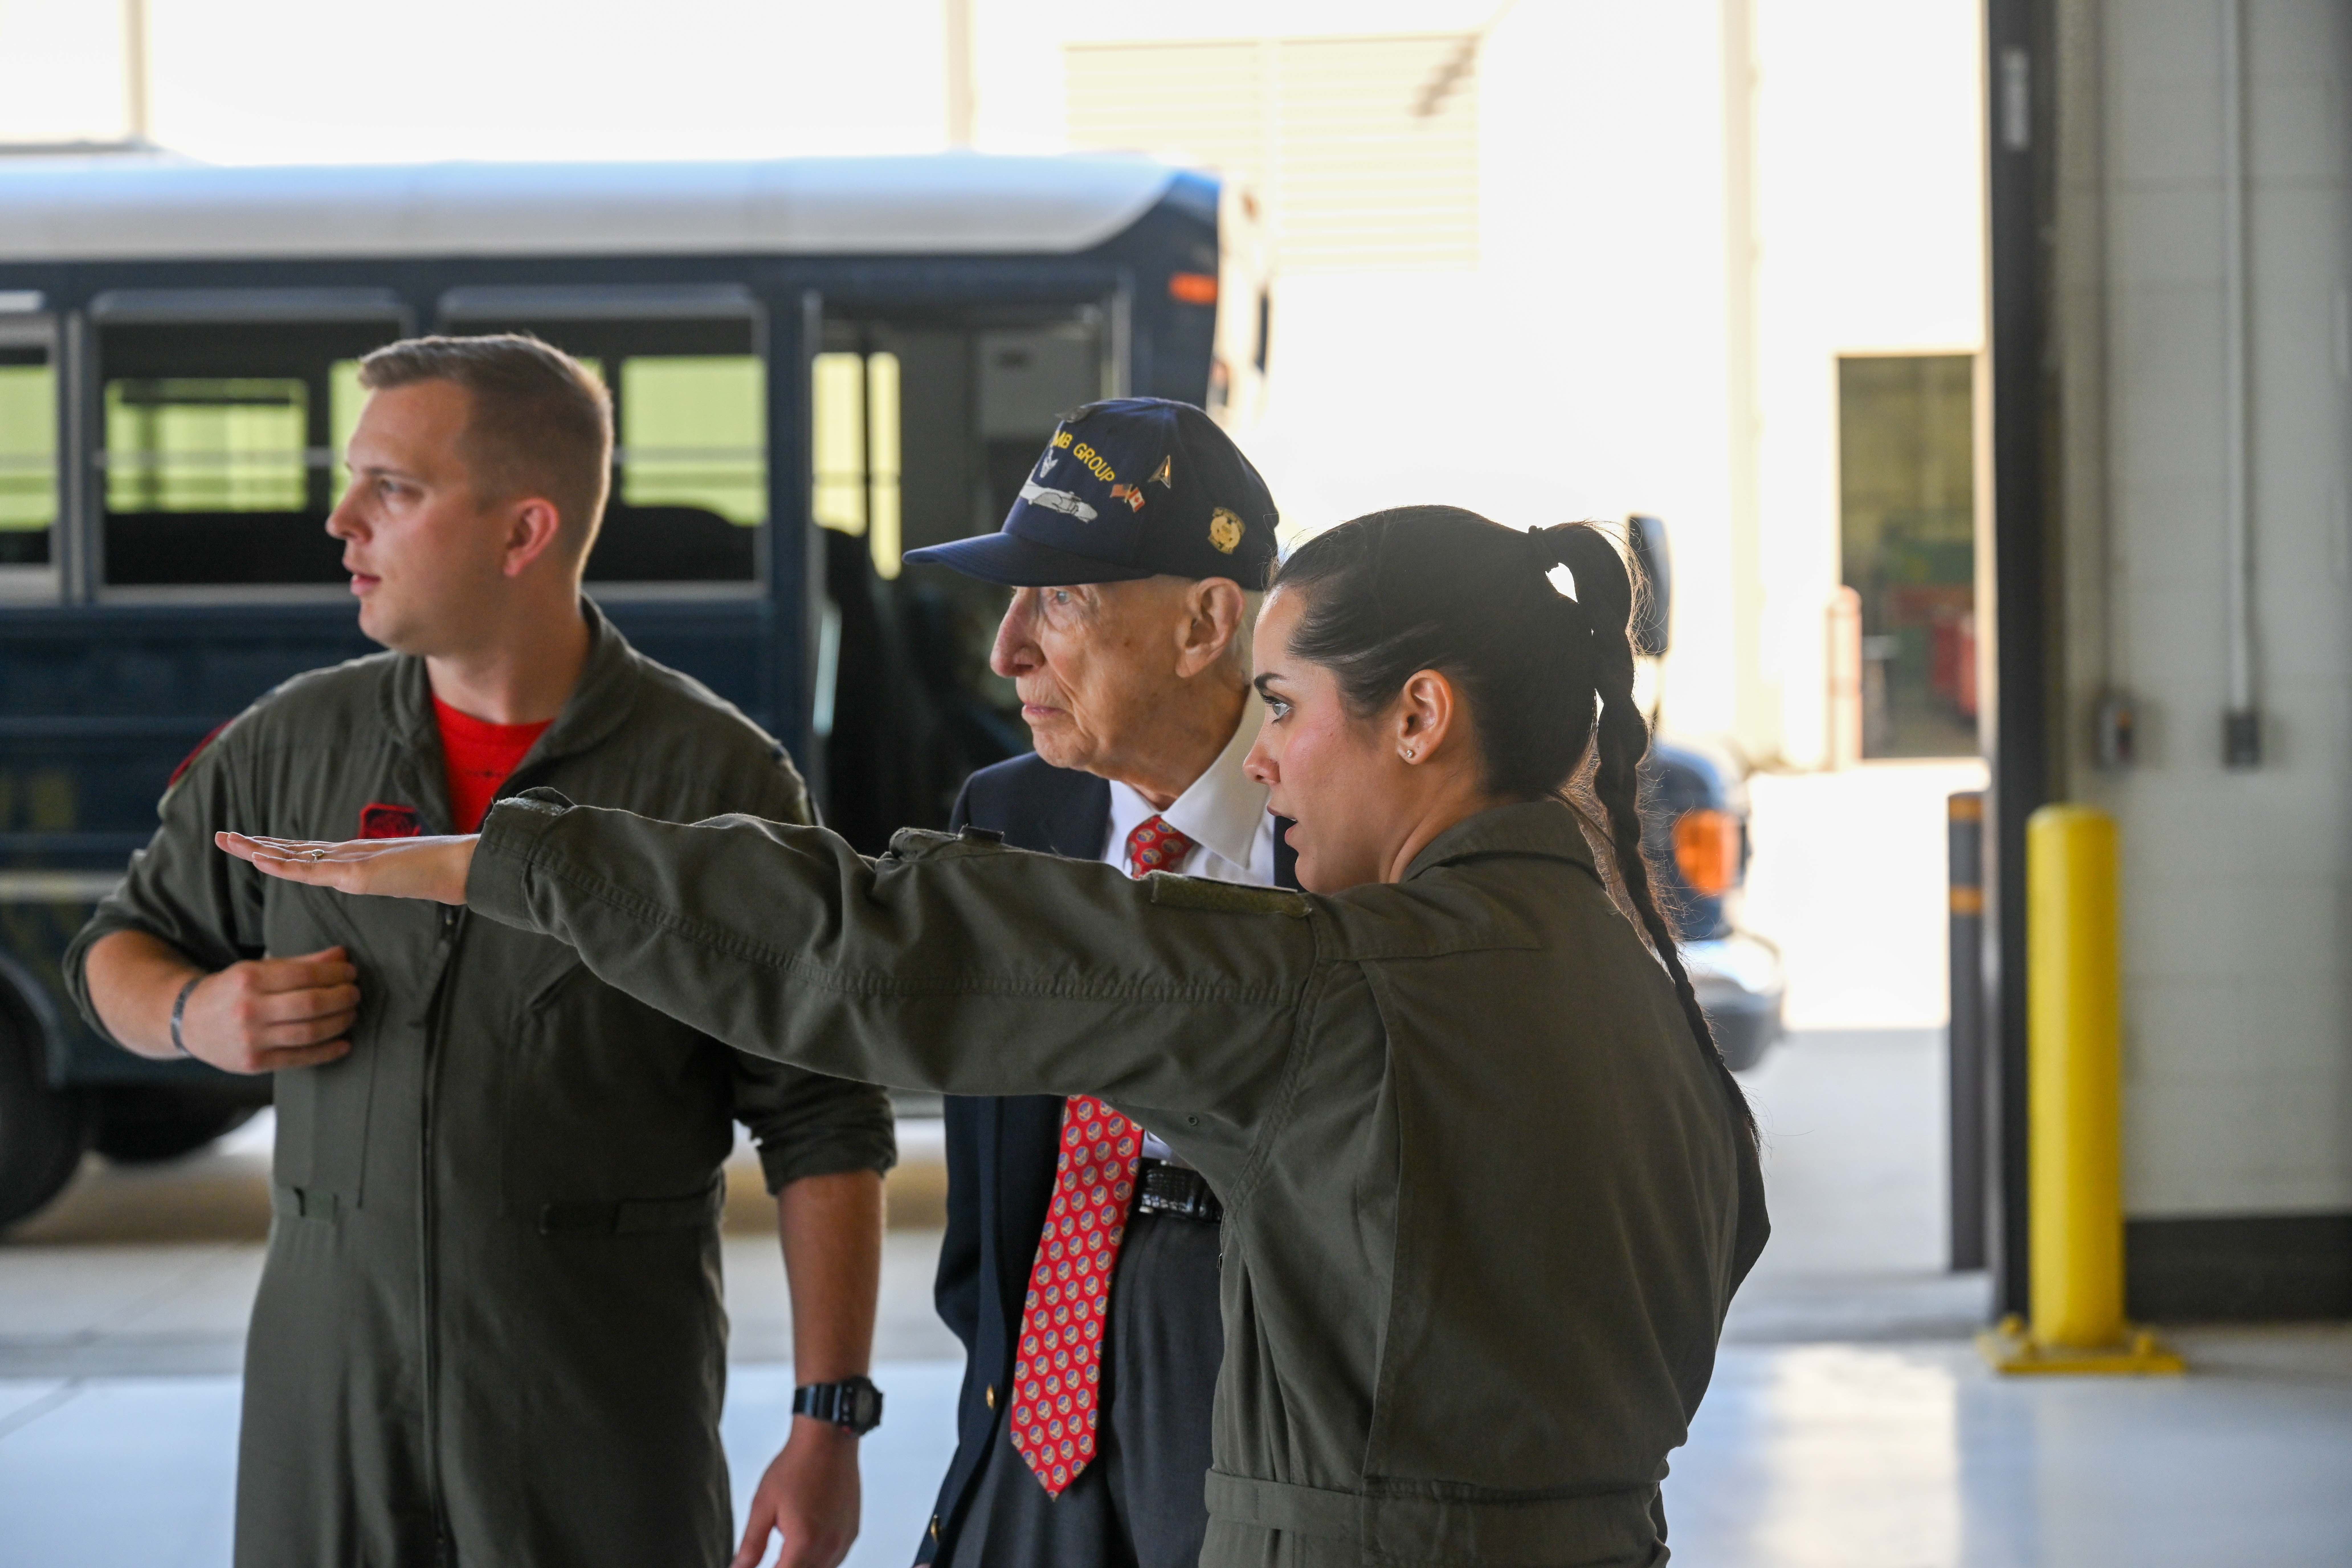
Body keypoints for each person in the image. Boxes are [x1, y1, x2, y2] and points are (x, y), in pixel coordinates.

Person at [219, 504, 1771, 1568]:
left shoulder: (1335, 989)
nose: (1272, 759)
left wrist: (519, 862)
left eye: (1285, 707)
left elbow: (897, 946)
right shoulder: (1652, 1009)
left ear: (1420, 720)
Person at [65, 334, 897, 1568]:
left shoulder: (713, 785)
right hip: (329, 1402)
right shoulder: (294, 748)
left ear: (524, 533)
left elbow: (823, 1116)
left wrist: (829, 1420)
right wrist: (195, 1014)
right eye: (355, 480)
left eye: (391, 489)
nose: (342, 520)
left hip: (597, 1412)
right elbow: (113, 951)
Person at [894, 398, 1292, 1568]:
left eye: (1059, 599)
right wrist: (999, 1344)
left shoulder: (1338, 830)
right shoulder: (1009, 814)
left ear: (1206, 622)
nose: (1004, 648)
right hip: (1035, 1389)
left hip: (1243, 1363)